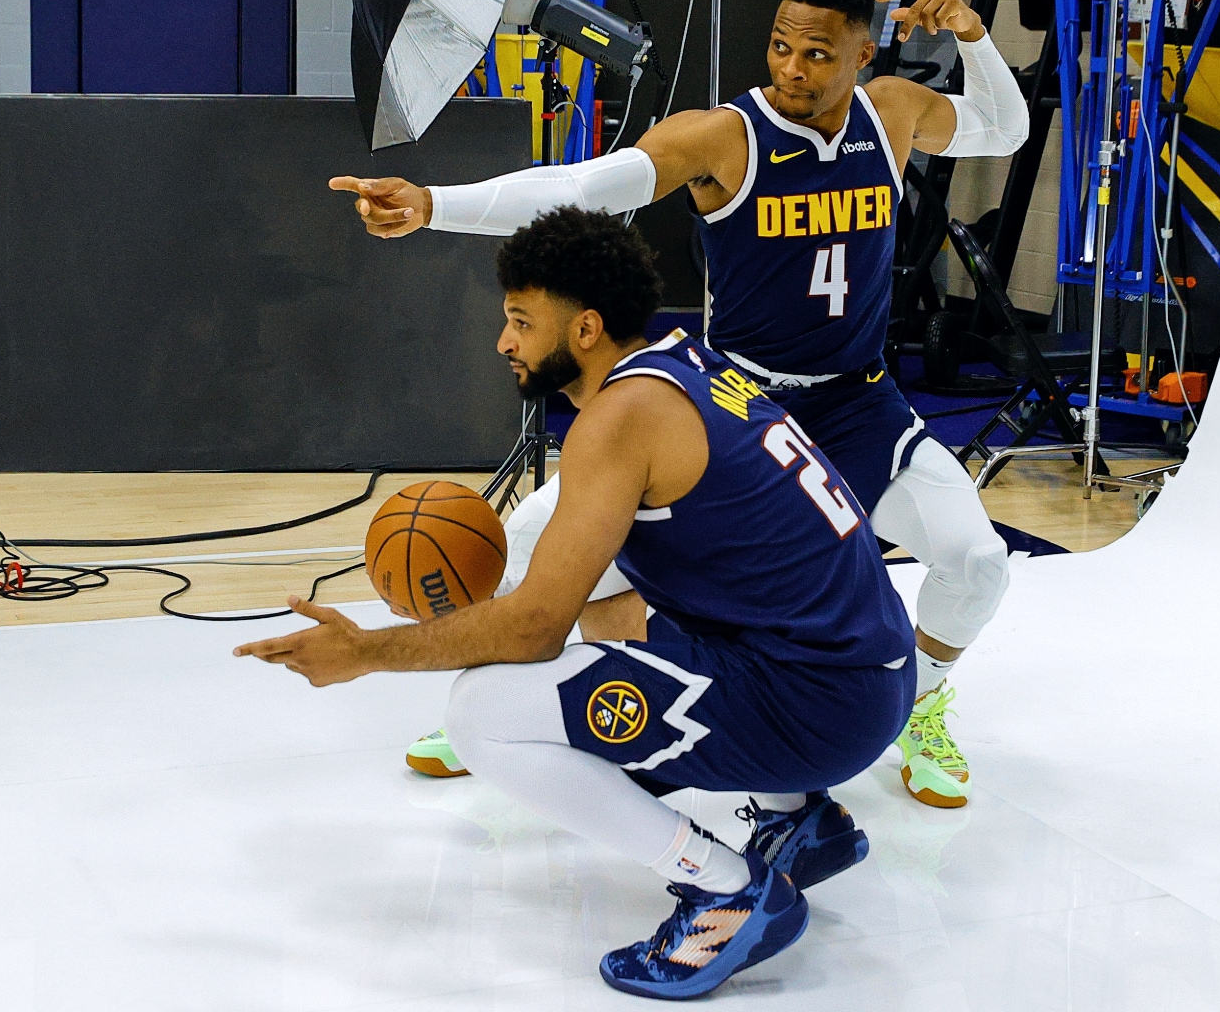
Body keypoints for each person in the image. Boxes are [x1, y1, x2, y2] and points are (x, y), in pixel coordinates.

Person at [336, 0, 1027, 809]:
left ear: (862, 54)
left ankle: (916, 701)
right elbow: (580, 189)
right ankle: (495, 698)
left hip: (856, 403)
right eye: (780, 46)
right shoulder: (724, 137)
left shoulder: (892, 114)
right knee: (527, 544)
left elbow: (1006, 127)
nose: (792, 67)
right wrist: (432, 204)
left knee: (978, 562)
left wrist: (973, 35)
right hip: (737, 410)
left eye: (817, 54)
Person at [237, 208, 916, 999]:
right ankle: (801, 820)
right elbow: (608, 600)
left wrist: (366, 653)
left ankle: (727, 891)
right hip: (861, 674)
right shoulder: (685, 364)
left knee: (485, 714)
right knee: (590, 601)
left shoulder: (620, 419)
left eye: (522, 322)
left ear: (586, 329)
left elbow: (532, 628)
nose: (505, 342)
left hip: (820, 705)